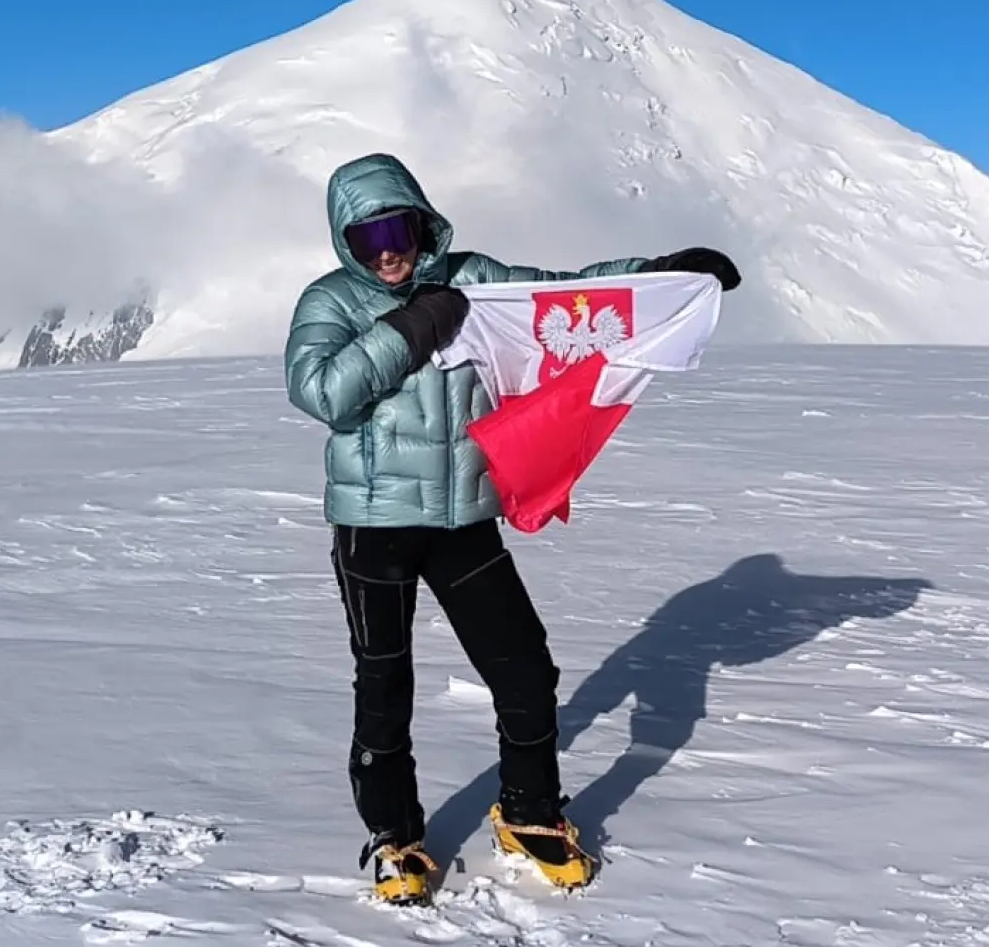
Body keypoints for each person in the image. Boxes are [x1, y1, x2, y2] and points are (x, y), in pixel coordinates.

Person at [282, 152, 740, 905]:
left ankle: (528, 813)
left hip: (464, 516)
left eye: (398, 228)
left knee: (525, 669)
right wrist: (412, 328)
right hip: (373, 526)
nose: (387, 250)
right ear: (345, 245)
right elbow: (323, 393)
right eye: (366, 240)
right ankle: (395, 838)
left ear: (422, 222)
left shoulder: (470, 279)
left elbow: (564, 304)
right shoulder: (331, 301)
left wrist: (657, 274)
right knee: (384, 683)